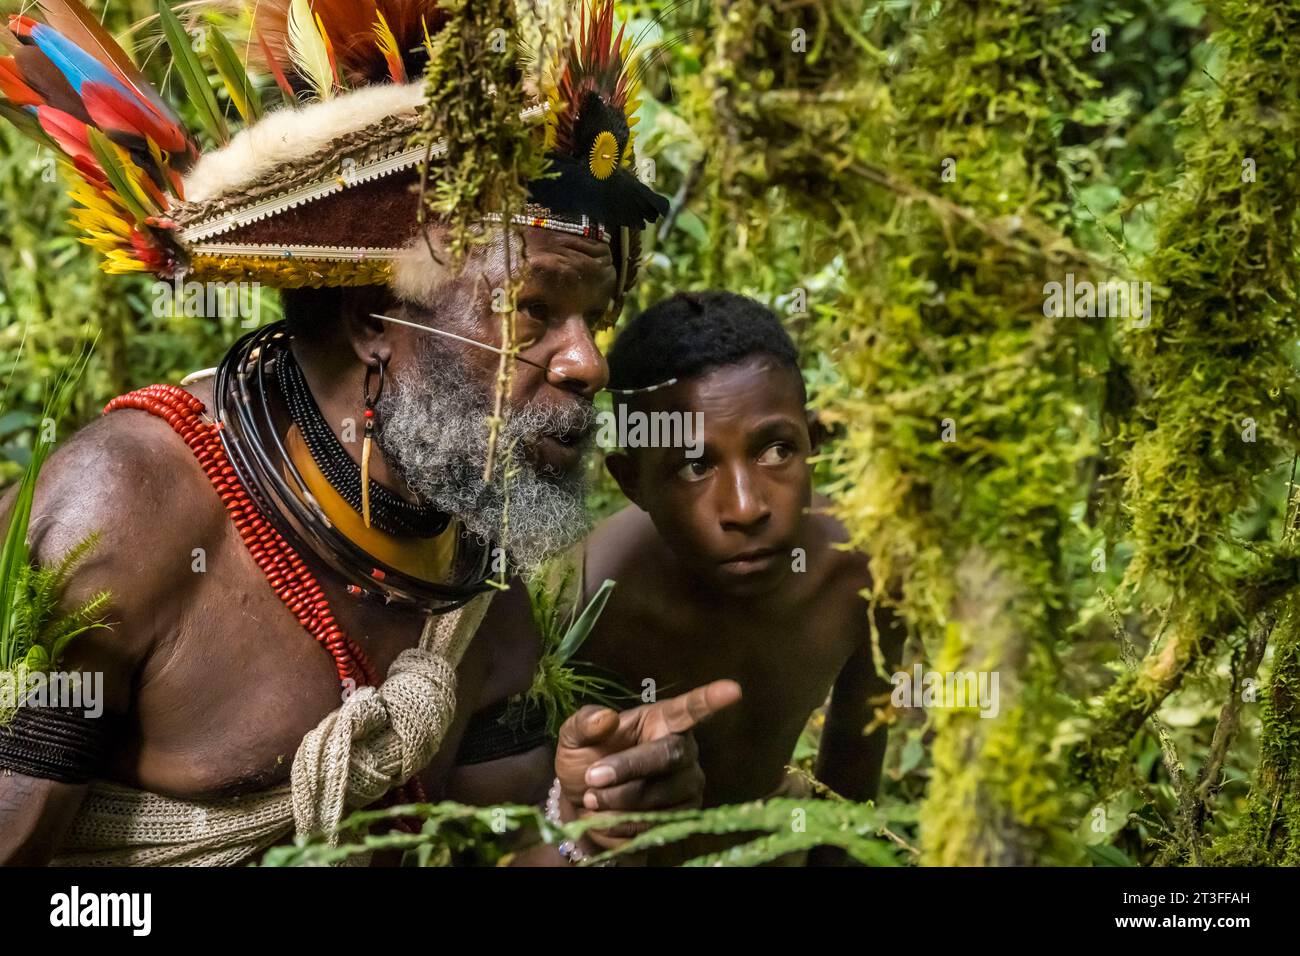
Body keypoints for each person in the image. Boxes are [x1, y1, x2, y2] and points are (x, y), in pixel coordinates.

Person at [0, 0, 736, 866]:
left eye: (594, 320)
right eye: (532, 312)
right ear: (372, 320)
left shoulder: (476, 577)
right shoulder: (125, 516)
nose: (586, 364)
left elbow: (490, 859)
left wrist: (583, 831)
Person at [479, 292, 903, 833]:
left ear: (812, 444)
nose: (747, 507)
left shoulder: (864, 572)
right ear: (634, 482)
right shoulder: (580, 604)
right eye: (695, 467)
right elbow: (518, 805)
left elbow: (856, 748)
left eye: (776, 450)